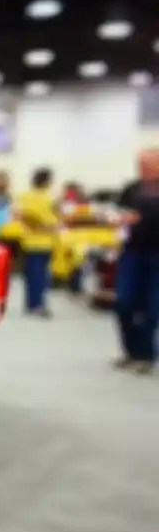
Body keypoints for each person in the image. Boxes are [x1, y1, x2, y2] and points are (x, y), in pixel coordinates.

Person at [113, 149, 159, 374]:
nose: (143, 168)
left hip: (156, 255)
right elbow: (118, 213)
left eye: (149, 163)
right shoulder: (131, 189)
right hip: (131, 253)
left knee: (151, 307)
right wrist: (121, 219)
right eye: (140, 163)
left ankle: (146, 354)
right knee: (125, 301)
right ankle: (130, 351)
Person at [15, 168, 59, 317]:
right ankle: (38, 305)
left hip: (32, 242)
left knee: (31, 275)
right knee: (39, 276)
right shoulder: (46, 197)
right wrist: (44, 227)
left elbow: (22, 215)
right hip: (41, 241)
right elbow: (26, 216)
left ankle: (31, 304)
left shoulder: (28, 196)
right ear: (46, 180)